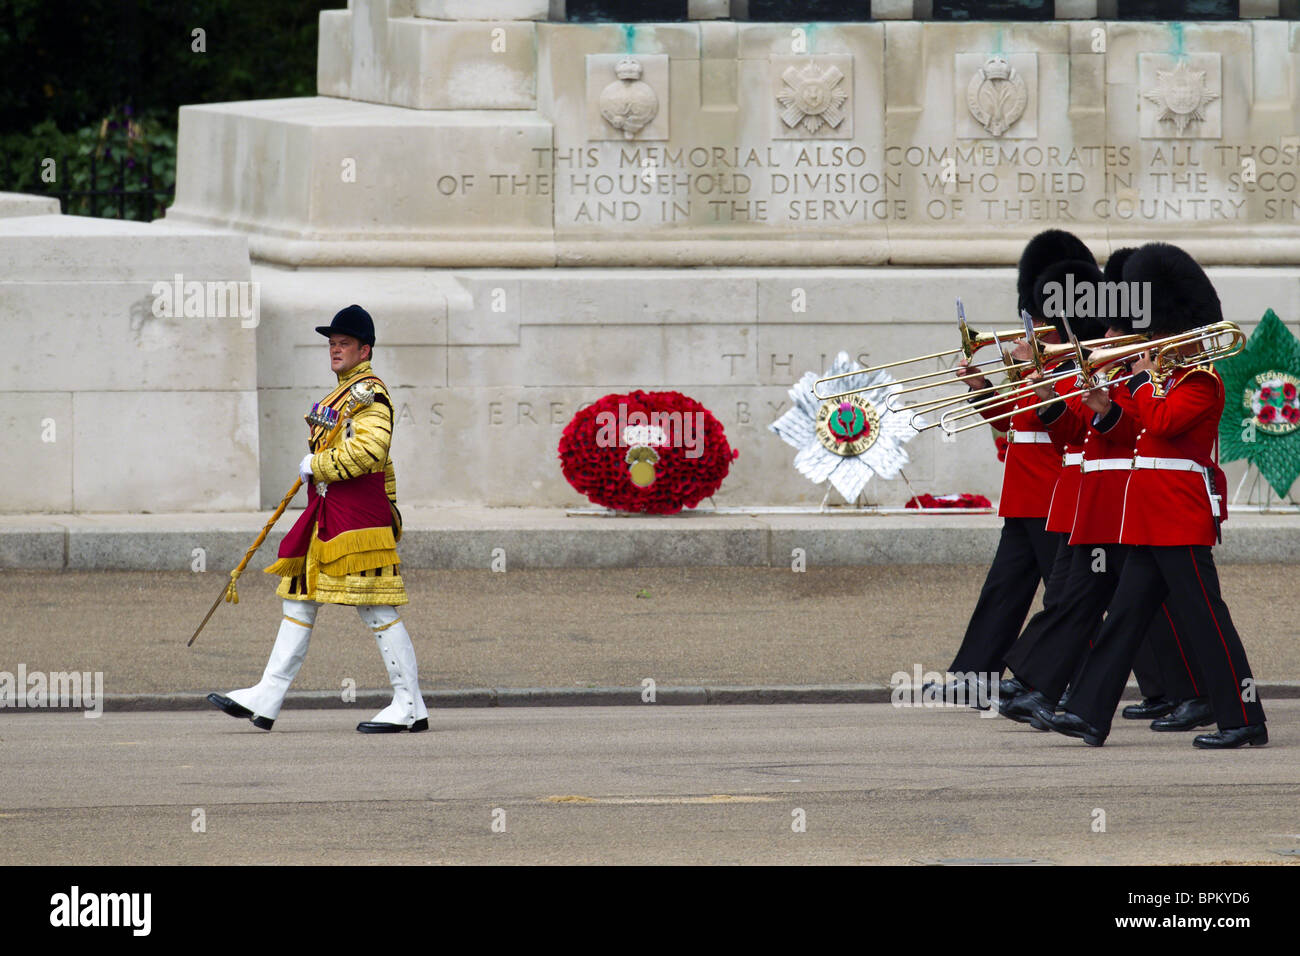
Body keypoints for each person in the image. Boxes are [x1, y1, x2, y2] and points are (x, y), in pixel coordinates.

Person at [1032, 244, 1267, 748]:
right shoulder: (1163, 381)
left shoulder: (1200, 381)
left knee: (1206, 620)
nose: (1151, 343)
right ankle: (1088, 713)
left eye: (1159, 335)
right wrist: (1104, 406)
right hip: (1147, 519)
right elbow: (1138, 430)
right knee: (1124, 618)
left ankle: (1243, 718)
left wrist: (1138, 380)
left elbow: (1161, 422)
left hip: (1179, 518)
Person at [998, 251, 1205, 728]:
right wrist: (1048, 394)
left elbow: (1138, 429)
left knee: (1145, 606)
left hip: (1127, 499)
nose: (1110, 337)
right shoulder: (1111, 372)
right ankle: (1053, 689)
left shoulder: (1162, 378)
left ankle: (1184, 692)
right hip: (1094, 497)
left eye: (1118, 330)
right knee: (1099, 600)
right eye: (1108, 329)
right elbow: (1076, 434)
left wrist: (1127, 384)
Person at [207, 305, 429, 734]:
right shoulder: (344, 393)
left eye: (344, 344)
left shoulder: (371, 393)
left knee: (376, 608)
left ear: (365, 350)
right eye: (332, 344)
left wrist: (318, 463)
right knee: (299, 597)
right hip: (330, 514)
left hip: (357, 522)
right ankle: (267, 696)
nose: (336, 350)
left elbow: (370, 454)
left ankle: (408, 703)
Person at [936, 230, 1090, 698]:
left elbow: (1067, 424)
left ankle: (1069, 683)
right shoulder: (1034, 367)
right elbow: (1008, 420)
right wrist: (979, 383)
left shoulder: (1075, 368)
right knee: (1003, 592)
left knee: (1065, 601)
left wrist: (1039, 377)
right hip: (1023, 494)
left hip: (1051, 493)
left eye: (1040, 321)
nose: (1029, 329)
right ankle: (974, 677)